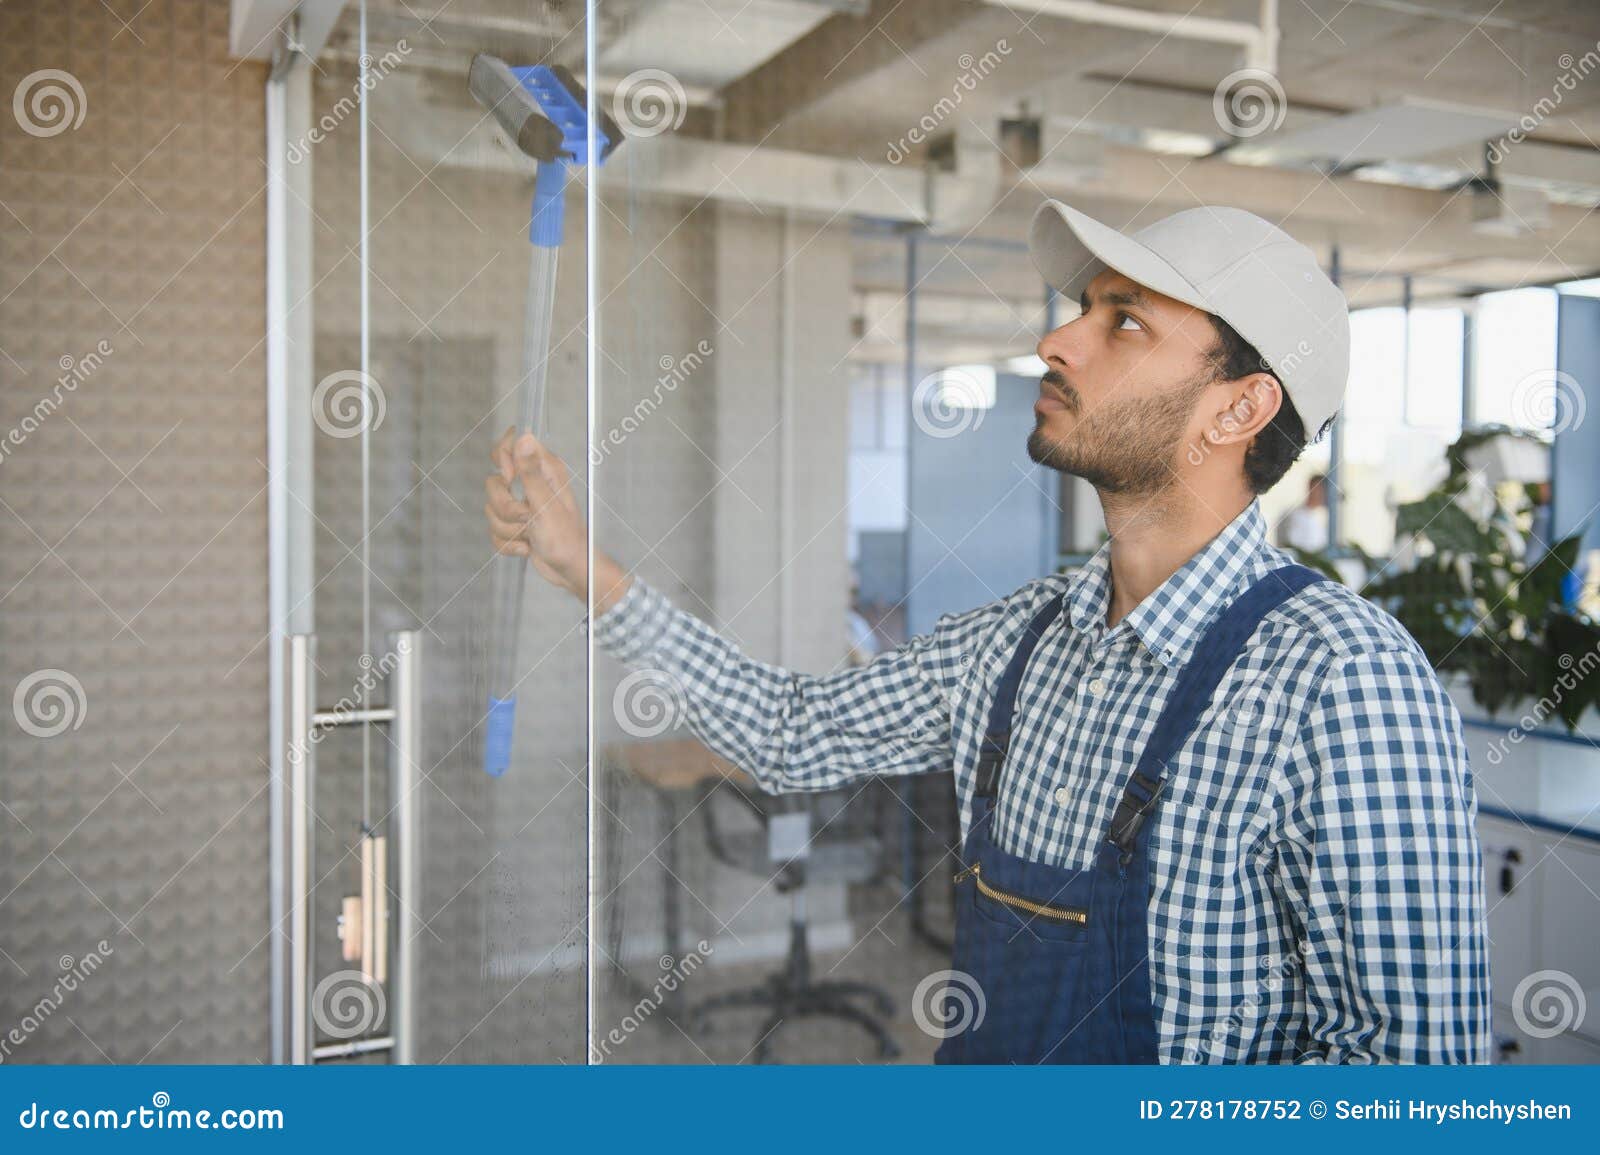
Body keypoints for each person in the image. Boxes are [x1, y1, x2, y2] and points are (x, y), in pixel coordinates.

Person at [484, 201, 1490, 1064]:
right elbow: (791, 730)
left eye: (1125, 322)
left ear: (1238, 410)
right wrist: (588, 570)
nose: (1057, 342)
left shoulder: (1344, 684)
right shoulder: (1015, 640)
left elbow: (1405, 1079)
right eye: (1081, 309)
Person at [1277, 472, 1330, 552]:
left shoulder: (1319, 517)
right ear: (1312, 487)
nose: (1323, 494)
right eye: (1320, 489)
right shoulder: (1294, 515)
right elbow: (1296, 548)